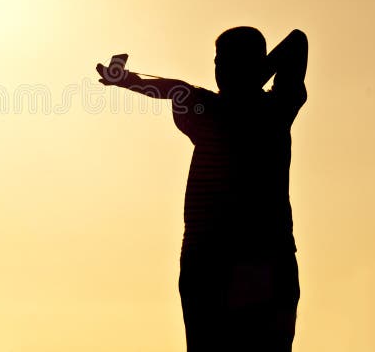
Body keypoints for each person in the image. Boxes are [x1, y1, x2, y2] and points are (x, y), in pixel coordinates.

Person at [96, 27, 308, 351]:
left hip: (247, 260)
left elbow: (298, 39)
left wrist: (126, 80)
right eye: (217, 61)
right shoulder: (270, 109)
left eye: (225, 62)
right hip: (218, 262)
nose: (218, 69)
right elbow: (173, 89)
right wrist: (252, 78)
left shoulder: (232, 110)